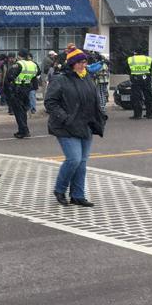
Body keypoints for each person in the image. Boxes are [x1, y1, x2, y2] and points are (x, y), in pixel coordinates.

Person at [46, 49, 105, 207]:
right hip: (66, 126)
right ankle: (60, 189)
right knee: (74, 159)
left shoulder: (87, 78)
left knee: (82, 162)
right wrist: (65, 118)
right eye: (79, 62)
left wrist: (100, 116)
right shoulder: (60, 79)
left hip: (86, 125)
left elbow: (94, 100)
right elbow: (50, 102)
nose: (83, 65)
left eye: (84, 62)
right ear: (72, 64)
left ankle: (77, 195)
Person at [5, 49, 39, 138]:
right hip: (27, 89)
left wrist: (9, 87)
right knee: (23, 110)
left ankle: (24, 131)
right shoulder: (33, 64)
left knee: (18, 111)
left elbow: (9, 76)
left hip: (17, 89)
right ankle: (23, 129)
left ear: (19, 55)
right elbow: (38, 73)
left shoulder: (19, 64)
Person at [126, 48, 152, 120]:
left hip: (136, 79)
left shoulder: (131, 59)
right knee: (148, 96)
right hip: (146, 78)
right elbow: (151, 69)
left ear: (135, 52)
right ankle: (149, 114)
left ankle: (138, 115)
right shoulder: (148, 59)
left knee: (136, 97)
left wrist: (132, 75)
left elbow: (127, 69)